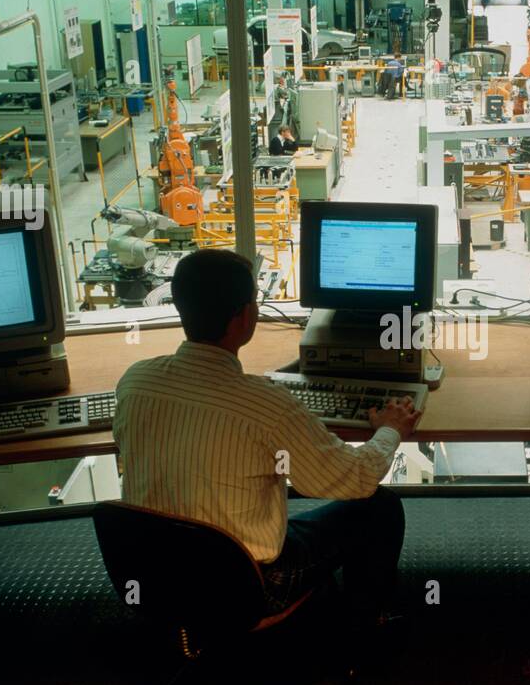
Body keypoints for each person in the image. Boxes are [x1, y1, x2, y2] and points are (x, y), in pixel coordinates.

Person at [114, 249, 421, 641]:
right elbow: (355, 478)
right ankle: (363, 631)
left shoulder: (136, 382)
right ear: (246, 316)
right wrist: (390, 430)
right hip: (246, 587)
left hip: (155, 575)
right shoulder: (266, 405)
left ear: (179, 305)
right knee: (379, 508)